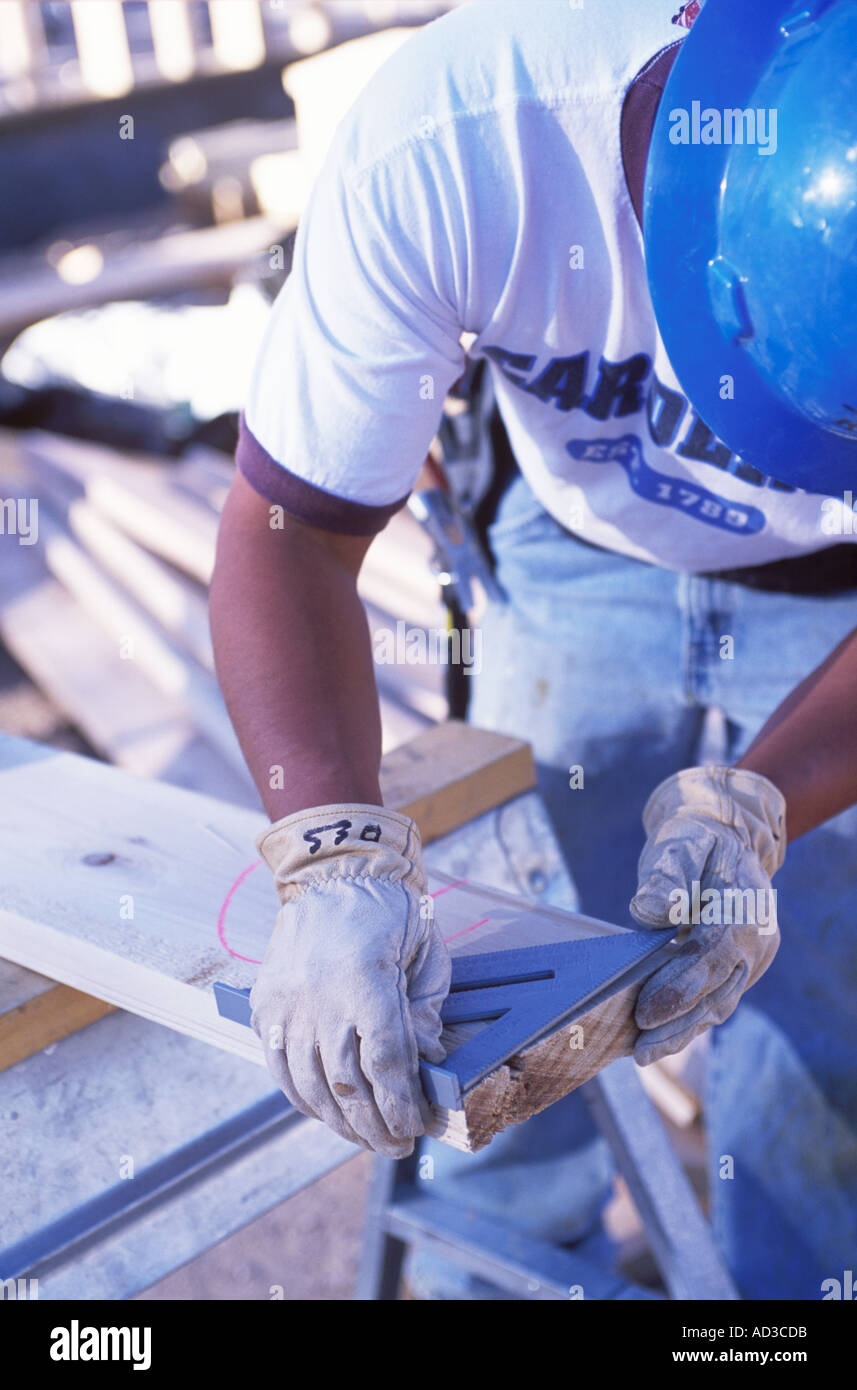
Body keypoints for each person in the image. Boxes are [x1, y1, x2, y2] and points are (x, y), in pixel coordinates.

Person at [210, 0, 857, 1299]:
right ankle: (502, 1272)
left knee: (823, 1012)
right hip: (575, 551)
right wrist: (329, 848)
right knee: (495, 1010)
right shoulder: (453, 146)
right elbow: (290, 531)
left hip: (834, 608)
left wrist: (758, 805)